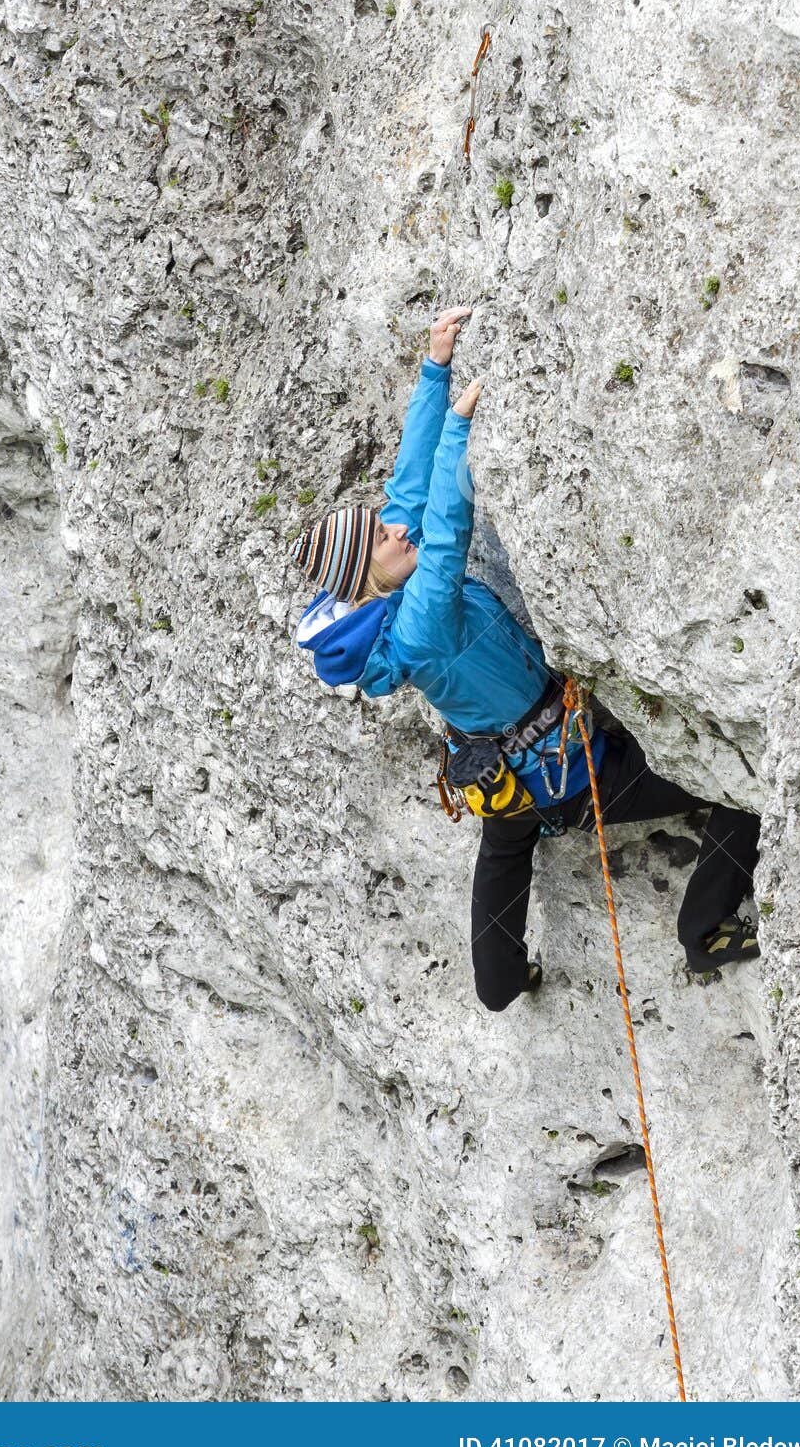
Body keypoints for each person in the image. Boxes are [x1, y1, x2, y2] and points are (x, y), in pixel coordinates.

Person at [287, 307, 762, 1012]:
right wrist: (459, 428)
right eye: (382, 536)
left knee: (506, 852)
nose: (393, 527)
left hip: (500, 773)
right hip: (571, 772)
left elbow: (410, 490)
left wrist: (436, 367)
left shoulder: (383, 593)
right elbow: (446, 535)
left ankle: (502, 983)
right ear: (364, 579)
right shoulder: (416, 622)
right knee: (744, 787)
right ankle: (703, 930)